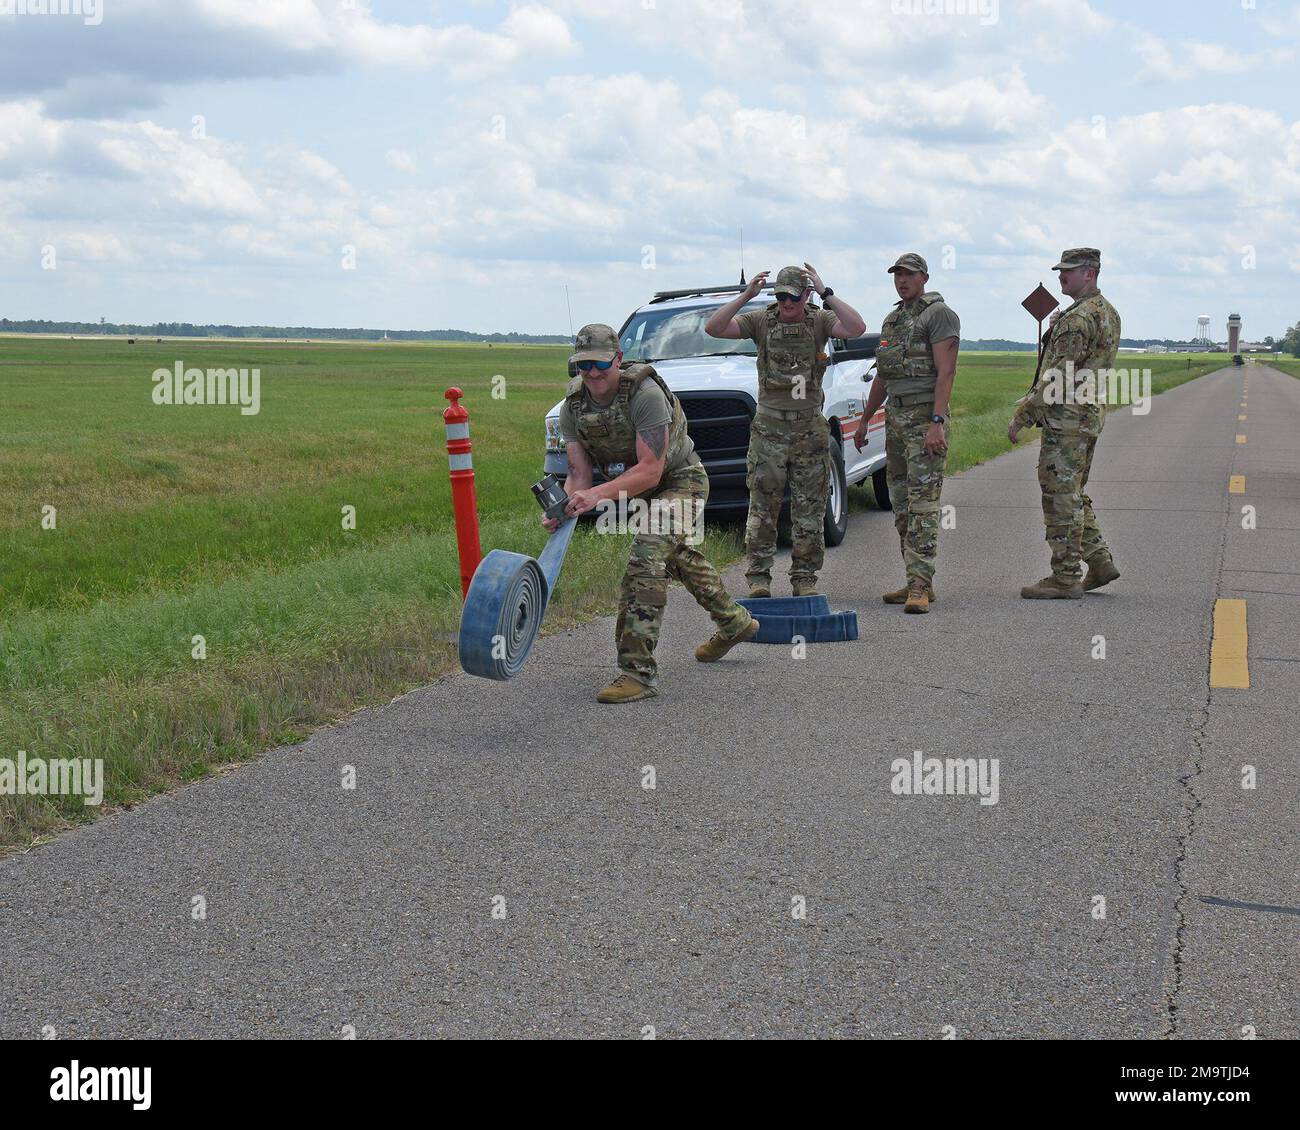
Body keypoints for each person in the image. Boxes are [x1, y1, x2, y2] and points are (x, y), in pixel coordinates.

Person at [547, 323, 760, 703]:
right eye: (583, 366)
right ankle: (734, 622)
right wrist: (564, 507)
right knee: (676, 555)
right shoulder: (573, 407)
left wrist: (597, 495)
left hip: (681, 480)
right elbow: (577, 474)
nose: (593, 374)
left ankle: (637, 672)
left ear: (617, 358)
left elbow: (651, 469)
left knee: (646, 554)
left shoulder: (645, 394)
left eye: (599, 363)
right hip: (639, 488)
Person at [705, 264, 866, 597]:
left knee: (809, 508)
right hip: (769, 429)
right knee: (763, 506)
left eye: (792, 298)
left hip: (809, 427)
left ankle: (804, 579)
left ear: (805, 295)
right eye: (780, 297)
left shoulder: (819, 319)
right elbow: (714, 327)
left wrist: (826, 293)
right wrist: (746, 296)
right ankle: (759, 578)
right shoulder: (762, 320)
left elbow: (857, 327)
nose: (786, 305)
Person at [1007, 247, 1121, 598]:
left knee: (1060, 496)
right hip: (1087, 416)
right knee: (1073, 493)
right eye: (1060, 270)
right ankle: (1099, 562)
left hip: (1067, 419)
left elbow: (1057, 376)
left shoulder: (1077, 318)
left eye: (1069, 270)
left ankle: (1065, 576)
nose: (1061, 276)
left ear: (1090, 273)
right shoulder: (1106, 312)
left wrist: (1022, 415)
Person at [853, 253, 960, 613]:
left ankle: (919, 584)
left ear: (924, 277)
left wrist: (937, 422)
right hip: (896, 418)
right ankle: (916, 577)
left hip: (924, 417)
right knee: (900, 504)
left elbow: (946, 372)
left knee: (923, 505)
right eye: (897, 274)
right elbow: (883, 374)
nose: (902, 280)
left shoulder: (939, 315)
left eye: (909, 274)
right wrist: (867, 418)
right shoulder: (894, 318)